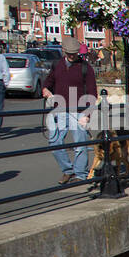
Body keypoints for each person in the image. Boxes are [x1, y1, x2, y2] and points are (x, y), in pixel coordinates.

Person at [40, 35, 96, 183]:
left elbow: (92, 92)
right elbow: (49, 81)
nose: (72, 56)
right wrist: (45, 89)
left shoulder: (85, 67)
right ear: (63, 51)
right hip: (60, 109)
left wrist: (88, 113)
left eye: (75, 53)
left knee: (79, 144)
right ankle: (68, 170)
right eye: (69, 53)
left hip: (78, 110)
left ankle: (80, 174)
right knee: (54, 142)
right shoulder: (57, 65)